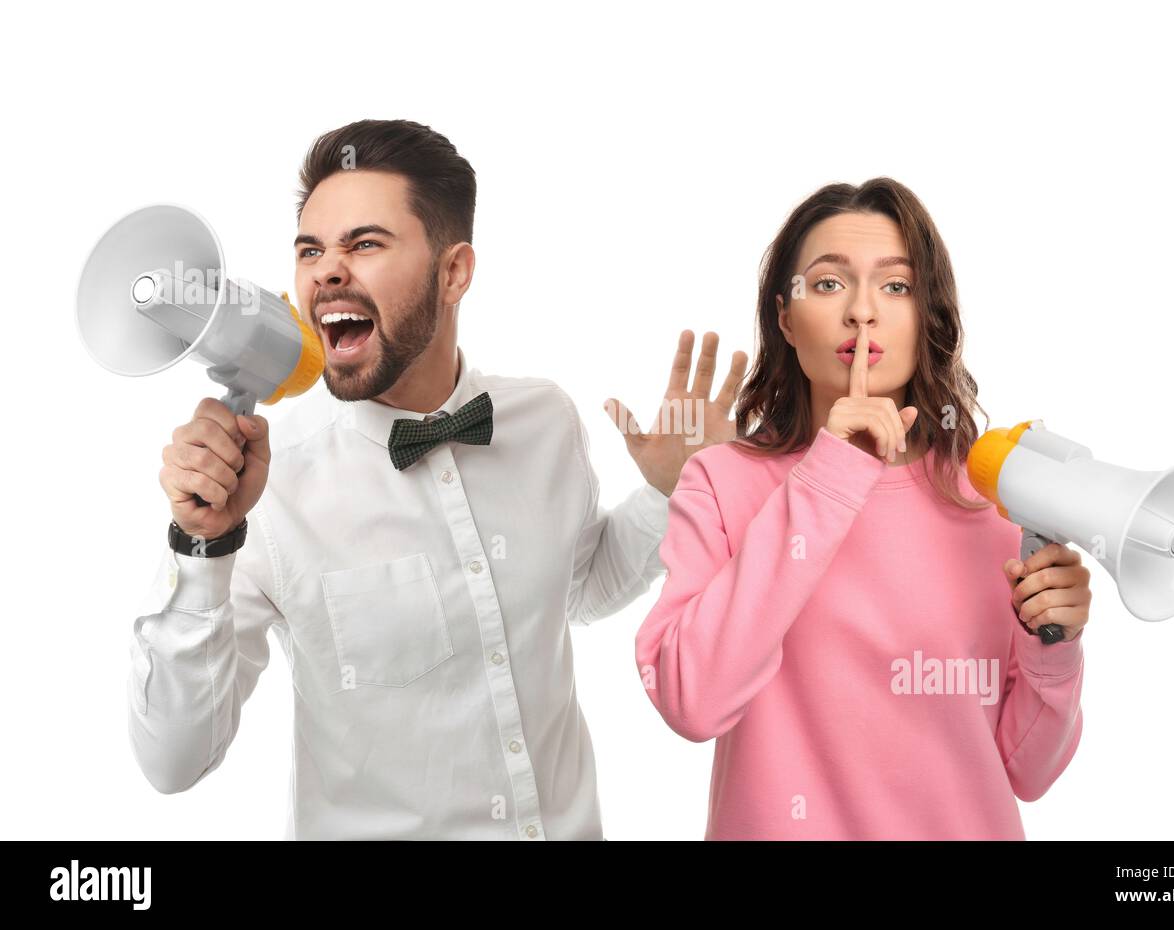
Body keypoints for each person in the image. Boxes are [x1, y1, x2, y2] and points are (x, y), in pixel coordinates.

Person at [130, 118, 747, 840]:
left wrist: (669, 493)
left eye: (364, 244)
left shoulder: (545, 420)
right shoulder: (273, 485)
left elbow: (577, 592)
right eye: (311, 250)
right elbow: (172, 762)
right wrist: (201, 546)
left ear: (453, 272)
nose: (328, 270)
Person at [634, 178, 1091, 840]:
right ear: (785, 318)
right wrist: (830, 475)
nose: (862, 312)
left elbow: (1029, 772)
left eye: (897, 286)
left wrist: (1056, 643)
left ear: (927, 317)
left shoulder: (993, 496)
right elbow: (690, 700)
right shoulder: (722, 482)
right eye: (827, 284)